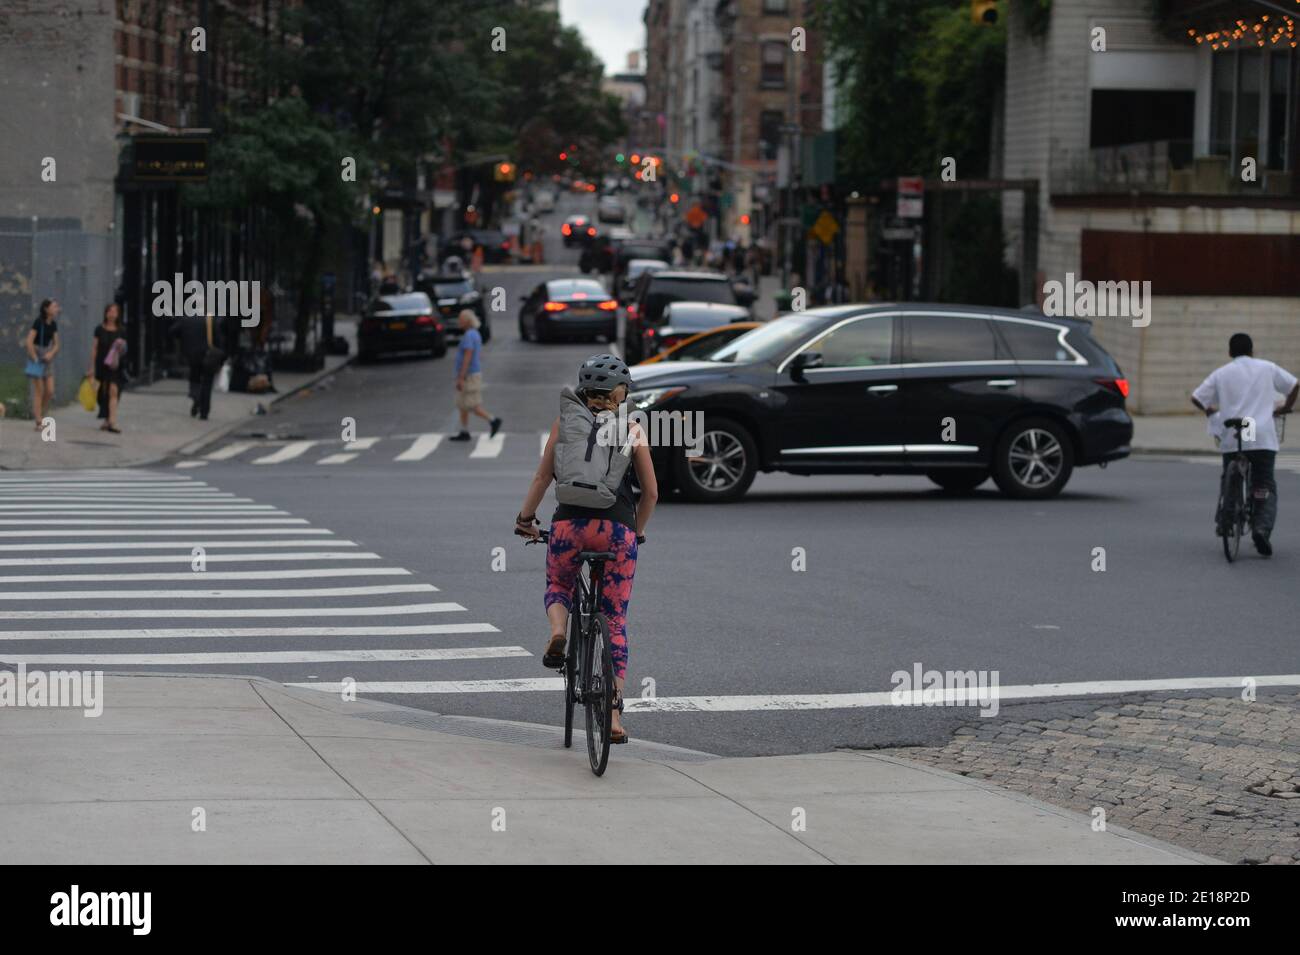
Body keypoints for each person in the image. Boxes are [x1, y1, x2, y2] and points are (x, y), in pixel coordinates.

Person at [515, 355, 658, 744]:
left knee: (559, 586)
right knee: (613, 620)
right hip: (616, 532)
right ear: (621, 392)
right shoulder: (632, 429)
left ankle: (559, 631)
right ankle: (612, 716)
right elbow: (651, 492)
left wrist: (526, 519)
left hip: (568, 527)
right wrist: (637, 531)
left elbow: (543, 476)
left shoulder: (565, 424)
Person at [1192, 332, 1299, 556]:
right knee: (1263, 483)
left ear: (1230, 352)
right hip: (1258, 431)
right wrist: (1285, 407)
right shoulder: (1267, 367)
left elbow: (1197, 397)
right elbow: (1294, 385)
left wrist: (1211, 410)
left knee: (1230, 472)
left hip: (1233, 431)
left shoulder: (1221, 373)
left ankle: (1226, 518)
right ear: (1252, 351)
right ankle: (1261, 527)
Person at [449, 310, 501, 442]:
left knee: (472, 405)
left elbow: (468, 356)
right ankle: (464, 430)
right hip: (471, 374)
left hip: (469, 376)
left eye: (461, 319)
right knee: (462, 404)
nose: (459, 322)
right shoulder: (474, 334)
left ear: (467, 321)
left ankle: (493, 420)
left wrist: (461, 377)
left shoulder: (469, 336)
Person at [175, 313, 225, 419]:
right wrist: (221, 358)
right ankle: (204, 412)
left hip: (192, 356)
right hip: (209, 355)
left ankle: (196, 397)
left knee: (195, 379)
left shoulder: (186, 319)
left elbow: (173, 331)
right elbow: (219, 339)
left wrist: (185, 338)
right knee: (207, 384)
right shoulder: (210, 320)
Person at [88, 302, 126, 433]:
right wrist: (91, 367)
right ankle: (106, 419)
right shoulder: (99, 329)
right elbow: (94, 348)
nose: (112, 314)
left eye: (115, 312)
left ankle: (112, 421)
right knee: (103, 393)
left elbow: (125, 349)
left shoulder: (121, 330)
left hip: (115, 366)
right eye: (110, 311)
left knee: (114, 391)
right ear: (106, 313)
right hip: (101, 365)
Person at [25, 298, 60, 431]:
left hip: (47, 356)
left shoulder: (54, 324)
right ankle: (39, 420)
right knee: (39, 390)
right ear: (46, 309)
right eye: (54, 306)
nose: (56, 309)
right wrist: (34, 357)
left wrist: (51, 353)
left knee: (50, 391)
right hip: (36, 354)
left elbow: (56, 344)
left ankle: (42, 413)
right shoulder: (38, 322)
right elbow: (29, 341)